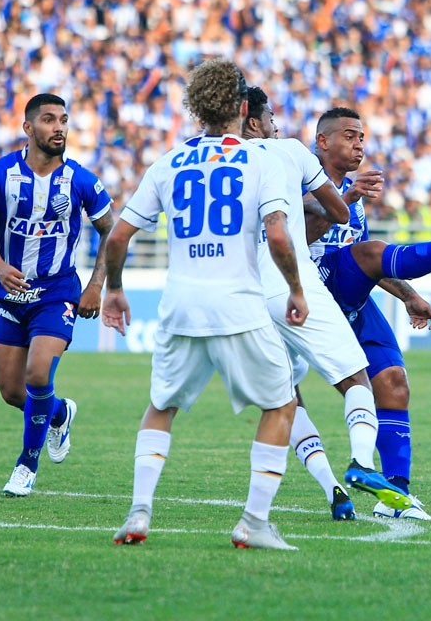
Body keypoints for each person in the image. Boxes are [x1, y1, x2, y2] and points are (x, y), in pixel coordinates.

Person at [102, 58, 308, 551]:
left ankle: (139, 510)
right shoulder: (261, 160)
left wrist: (114, 287)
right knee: (282, 403)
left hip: (181, 306)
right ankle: (254, 521)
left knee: (161, 406)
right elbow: (279, 235)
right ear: (243, 108)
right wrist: (296, 289)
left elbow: (118, 236)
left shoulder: (168, 163)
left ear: (195, 109)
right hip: (238, 304)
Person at [306, 107, 431, 520]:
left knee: (394, 383)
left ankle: (395, 495)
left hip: (346, 295)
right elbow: (296, 235)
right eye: (349, 136)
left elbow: (366, 262)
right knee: (370, 251)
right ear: (323, 141)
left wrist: (408, 295)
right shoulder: (300, 177)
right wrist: (346, 198)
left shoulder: (352, 197)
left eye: (362, 137)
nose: (359, 145)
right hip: (307, 289)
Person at [241, 86, 411, 521]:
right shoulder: (287, 155)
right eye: (272, 117)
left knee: (283, 400)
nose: (278, 125)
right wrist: (344, 199)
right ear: (254, 121)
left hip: (241, 297)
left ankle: (330, 490)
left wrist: (408, 295)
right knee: (357, 380)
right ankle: (362, 464)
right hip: (295, 287)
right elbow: (308, 222)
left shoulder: (215, 164)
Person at [0, 93, 114, 497]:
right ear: (28, 128)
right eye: (49, 120)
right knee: (12, 391)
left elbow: (111, 231)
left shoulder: (81, 180)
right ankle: (59, 412)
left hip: (57, 293)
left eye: (63, 120)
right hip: (13, 294)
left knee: (37, 374)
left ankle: (26, 466)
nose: (59, 128)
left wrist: (95, 285)